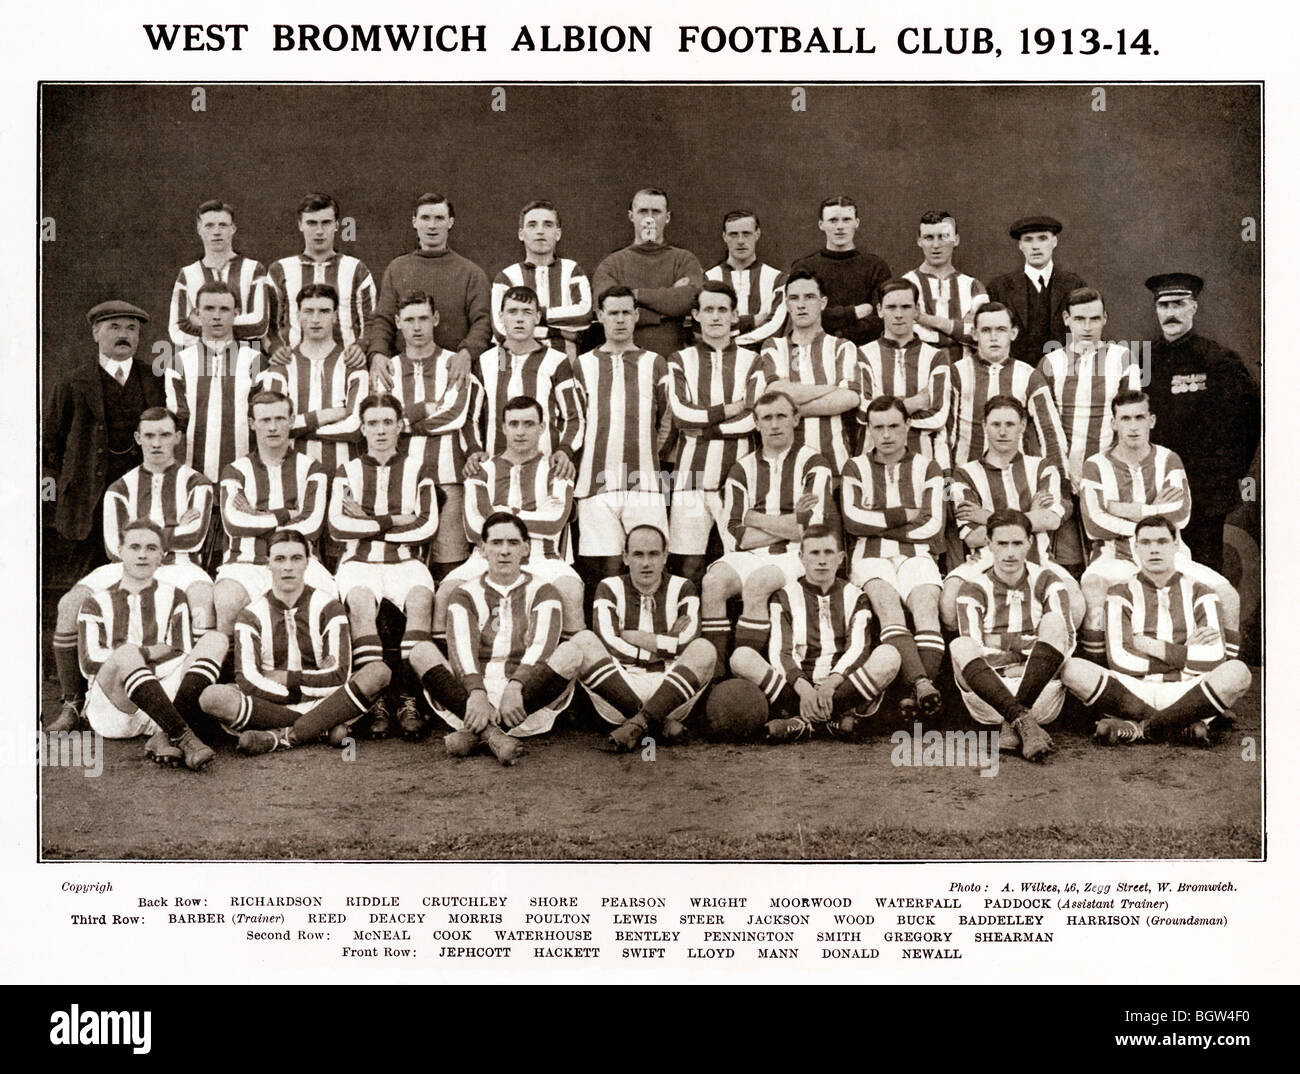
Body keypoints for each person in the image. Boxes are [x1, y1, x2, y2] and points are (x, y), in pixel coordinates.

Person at [49, 407, 217, 733]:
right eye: (150, 436)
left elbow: (194, 539)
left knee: (200, 602)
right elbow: (114, 546)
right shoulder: (119, 488)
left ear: (177, 438)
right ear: (138, 438)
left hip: (180, 564)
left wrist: (138, 537)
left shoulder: (197, 483)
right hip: (124, 565)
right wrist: (170, 526)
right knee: (68, 605)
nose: (157, 443)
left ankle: (189, 708)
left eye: (165, 435)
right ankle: (73, 702)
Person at [1076, 389, 1240, 663]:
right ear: (1114, 424)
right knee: (1094, 591)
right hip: (1115, 557)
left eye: (1139, 417)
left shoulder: (1168, 459)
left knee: (1228, 596)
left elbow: (1180, 515)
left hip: (1171, 557)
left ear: (1151, 421)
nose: (1133, 426)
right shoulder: (1095, 465)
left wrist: (1128, 510)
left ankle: (1223, 680)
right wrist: (1155, 513)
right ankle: (1101, 683)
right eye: (1125, 418)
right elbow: (1094, 525)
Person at [408, 513, 584, 766]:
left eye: (513, 543)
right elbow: (461, 650)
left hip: (525, 701)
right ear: (482, 549)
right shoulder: (465, 593)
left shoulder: (545, 591)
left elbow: (542, 648)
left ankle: (478, 735)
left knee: (572, 652)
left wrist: (516, 687)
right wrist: (477, 693)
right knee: (421, 651)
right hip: (469, 703)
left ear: (526, 549)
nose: (504, 551)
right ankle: (494, 737)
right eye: (496, 543)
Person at [1061, 516, 1252, 747]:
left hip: (1188, 688)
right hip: (1133, 688)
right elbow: (1121, 660)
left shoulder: (1202, 592)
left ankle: (1140, 729)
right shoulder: (1119, 593)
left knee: (1238, 672)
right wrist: (1184, 652)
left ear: (1175, 547)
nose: (1154, 550)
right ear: (1136, 548)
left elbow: (1214, 657)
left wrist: (1154, 647)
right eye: (1146, 543)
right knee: (1072, 669)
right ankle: (1180, 724)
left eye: (1162, 542)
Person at [200, 529, 391, 755]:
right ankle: (319, 727)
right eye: (280, 559)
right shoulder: (251, 614)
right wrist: (296, 693)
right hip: (274, 704)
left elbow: (339, 674)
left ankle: (284, 737)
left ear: (307, 563)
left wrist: (288, 678)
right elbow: (248, 680)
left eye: (296, 558)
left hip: (326, 698)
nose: (288, 567)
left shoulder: (329, 608)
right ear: (267, 564)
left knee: (378, 672)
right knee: (211, 697)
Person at [328, 393, 439, 740]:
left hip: (405, 561)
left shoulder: (418, 469)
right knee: (360, 602)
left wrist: (369, 520)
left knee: (421, 598)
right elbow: (337, 526)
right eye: (372, 423)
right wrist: (392, 520)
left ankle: (408, 698)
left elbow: (426, 525)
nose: (380, 430)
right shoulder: (348, 470)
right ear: (361, 428)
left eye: (387, 422)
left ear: (400, 426)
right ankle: (373, 701)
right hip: (358, 561)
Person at [700, 390, 833, 677]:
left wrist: (755, 517)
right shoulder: (741, 469)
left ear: (796, 419)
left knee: (759, 582)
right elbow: (738, 534)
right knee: (713, 582)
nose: (774, 424)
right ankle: (717, 674)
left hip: (797, 555)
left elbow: (809, 529)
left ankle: (747, 672)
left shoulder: (814, 463)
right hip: (748, 553)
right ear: (756, 423)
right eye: (767, 418)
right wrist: (791, 522)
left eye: (782, 416)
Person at [76, 518, 224, 771]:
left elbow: (182, 652)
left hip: (162, 701)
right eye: (134, 547)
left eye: (151, 548)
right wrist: (144, 654)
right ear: (120, 552)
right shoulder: (96, 601)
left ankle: (164, 736)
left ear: (162, 556)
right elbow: (89, 663)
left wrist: (144, 673)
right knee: (126, 653)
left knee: (216, 639)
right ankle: (183, 736)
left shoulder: (175, 596)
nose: (143, 555)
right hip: (116, 709)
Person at [731, 524, 901, 743]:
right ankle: (829, 720)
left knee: (889, 655)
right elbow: (781, 652)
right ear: (801, 558)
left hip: (840, 686)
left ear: (840, 558)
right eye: (814, 553)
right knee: (741, 657)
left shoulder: (856, 596)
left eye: (828, 553)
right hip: (797, 688)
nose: (822, 560)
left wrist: (830, 685)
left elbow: (858, 650)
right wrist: (806, 691)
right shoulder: (784, 596)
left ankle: (804, 723)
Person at [1141, 272, 1260, 574]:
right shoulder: (1144, 360)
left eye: (1179, 304)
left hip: (1205, 493)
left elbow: (1246, 426)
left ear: (1194, 307)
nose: (1171, 313)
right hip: (1154, 490)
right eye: (1164, 305)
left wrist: (1222, 480)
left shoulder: (1218, 360)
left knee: (1204, 573)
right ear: (1156, 310)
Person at [440, 395, 585, 636]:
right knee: (447, 591)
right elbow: (475, 529)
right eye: (514, 424)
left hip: (542, 557)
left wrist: (498, 513)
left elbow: (554, 524)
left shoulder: (557, 469)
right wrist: (526, 517)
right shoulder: (480, 470)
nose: (520, 431)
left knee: (570, 590)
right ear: (504, 427)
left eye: (528, 424)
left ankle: (567, 670)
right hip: (486, 556)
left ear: (542, 428)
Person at [44, 300, 165, 581]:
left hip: (142, 496)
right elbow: (50, 445)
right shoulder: (72, 383)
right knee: (88, 580)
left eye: (131, 329)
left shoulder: (155, 380)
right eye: (114, 327)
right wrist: (60, 492)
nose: (124, 334)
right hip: (88, 503)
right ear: (96, 333)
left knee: (144, 574)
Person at [840, 397, 945, 715]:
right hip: (870, 556)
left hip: (916, 554)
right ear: (869, 429)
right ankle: (921, 685)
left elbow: (933, 525)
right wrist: (905, 514)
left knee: (926, 607)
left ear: (908, 426)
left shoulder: (928, 466)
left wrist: (879, 522)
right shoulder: (854, 466)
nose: (886, 434)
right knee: (888, 608)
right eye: (878, 427)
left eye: (894, 426)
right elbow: (852, 521)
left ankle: (912, 699)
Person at [943, 395, 1078, 629]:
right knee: (948, 604)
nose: (1002, 432)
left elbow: (1051, 519)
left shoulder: (1042, 467)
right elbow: (974, 536)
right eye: (996, 424)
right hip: (984, 558)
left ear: (1023, 426)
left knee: (1075, 604)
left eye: (1010, 424)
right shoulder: (964, 474)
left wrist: (986, 516)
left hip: (1039, 556)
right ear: (984, 426)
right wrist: (1030, 517)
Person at [949, 509, 1074, 763]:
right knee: (960, 645)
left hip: (1041, 694)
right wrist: (1027, 654)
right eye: (1002, 543)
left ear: (1029, 542)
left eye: (1017, 543)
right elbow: (974, 651)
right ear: (988, 544)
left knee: (1053, 622)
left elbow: (1066, 643)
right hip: (990, 697)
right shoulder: (972, 588)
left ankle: (1016, 720)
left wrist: (998, 644)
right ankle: (1024, 721)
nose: (1010, 552)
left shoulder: (1049, 580)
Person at [1036, 287, 1141, 570]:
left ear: (1105, 319)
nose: (1087, 327)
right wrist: (1059, 474)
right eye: (1080, 319)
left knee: (1109, 558)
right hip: (1063, 476)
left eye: (1094, 319)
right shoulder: (1050, 362)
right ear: (1066, 319)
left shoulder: (1123, 358)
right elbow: (1042, 425)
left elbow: (1131, 421)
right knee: (1067, 561)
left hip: (1108, 476)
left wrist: (1111, 472)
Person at [665, 280, 763, 585]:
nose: (716, 316)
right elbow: (681, 415)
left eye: (723, 309)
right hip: (691, 475)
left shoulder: (753, 360)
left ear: (735, 315)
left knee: (740, 561)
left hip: (739, 474)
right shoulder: (679, 359)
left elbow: (752, 419)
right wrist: (727, 410)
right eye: (708, 309)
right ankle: (689, 628)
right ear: (696, 314)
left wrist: (704, 429)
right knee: (688, 564)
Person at [585, 524, 716, 752]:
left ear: (665, 556)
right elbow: (607, 640)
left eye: (654, 554)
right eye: (638, 554)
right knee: (582, 641)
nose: (646, 563)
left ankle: (638, 723)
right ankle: (655, 722)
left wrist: (635, 637)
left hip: (672, 686)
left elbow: (687, 641)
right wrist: (660, 647)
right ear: (625, 557)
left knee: (704, 649)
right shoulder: (609, 587)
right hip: (621, 686)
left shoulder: (683, 587)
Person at [571, 286, 672, 579]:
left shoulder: (655, 363)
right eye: (613, 313)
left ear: (637, 316)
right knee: (606, 569)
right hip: (595, 481)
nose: (620, 319)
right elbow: (575, 420)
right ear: (600, 316)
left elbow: (667, 420)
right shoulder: (583, 365)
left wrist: (652, 456)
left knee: (648, 565)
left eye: (626, 312)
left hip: (645, 483)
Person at [212, 390, 332, 634]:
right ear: (252, 424)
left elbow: (311, 525)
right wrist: (286, 514)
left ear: (291, 420)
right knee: (227, 600)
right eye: (265, 420)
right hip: (245, 563)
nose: (273, 427)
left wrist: (256, 516)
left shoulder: (312, 468)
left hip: (301, 562)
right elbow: (234, 524)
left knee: (326, 602)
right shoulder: (235, 470)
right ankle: (233, 671)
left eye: (279, 419)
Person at [383, 292, 485, 579]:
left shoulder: (456, 363)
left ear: (436, 319)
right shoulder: (388, 368)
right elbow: (378, 420)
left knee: (450, 561)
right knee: (401, 561)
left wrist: (401, 423)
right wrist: (425, 407)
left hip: (449, 476)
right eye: (410, 320)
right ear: (398, 322)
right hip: (400, 480)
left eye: (424, 319)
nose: (417, 327)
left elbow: (454, 415)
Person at [164, 281, 286, 485]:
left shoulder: (255, 360)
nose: (217, 316)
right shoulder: (179, 363)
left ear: (236, 313)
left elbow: (263, 421)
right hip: (193, 476)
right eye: (209, 308)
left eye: (224, 309)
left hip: (247, 477)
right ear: (197, 314)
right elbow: (176, 424)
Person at [367, 192, 491, 392]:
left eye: (439, 218)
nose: (432, 225)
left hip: (454, 373)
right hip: (405, 374)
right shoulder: (397, 268)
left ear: (450, 222)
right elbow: (384, 319)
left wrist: (466, 354)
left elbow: (483, 322)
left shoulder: (471, 273)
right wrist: (378, 354)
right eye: (425, 218)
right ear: (414, 222)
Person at [464, 285, 584, 479]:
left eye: (527, 312)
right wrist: (473, 450)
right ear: (501, 316)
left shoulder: (557, 360)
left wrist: (564, 450)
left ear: (537, 318)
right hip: (496, 471)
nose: (519, 319)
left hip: (545, 470)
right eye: (512, 312)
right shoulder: (487, 361)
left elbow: (575, 417)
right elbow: (469, 417)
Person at [755, 269, 861, 474]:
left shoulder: (842, 346)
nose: (801, 304)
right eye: (794, 298)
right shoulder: (774, 346)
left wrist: (789, 411)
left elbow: (849, 398)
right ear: (787, 305)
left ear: (823, 303)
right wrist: (830, 388)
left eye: (809, 297)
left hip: (834, 464)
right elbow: (776, 393)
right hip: (784, 467)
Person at [947, 303, 1069, 476]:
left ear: (1013, 333)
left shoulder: (1029, 376)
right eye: (986, 330)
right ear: (974, 334)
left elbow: (1051, 434)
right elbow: (945, 433)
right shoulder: (956, 373)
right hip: (967, 477)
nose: (994, 337)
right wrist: (948, 480)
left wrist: (1059, 485)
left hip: (1017, 480)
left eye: (1001, 329)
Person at [270, 283, 368, 482]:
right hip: (293, 476)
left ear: (335, 316)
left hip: (346, 476)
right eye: (308, 311)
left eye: (324, 311)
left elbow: (356, 426)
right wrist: (326, 415)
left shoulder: (353, 363)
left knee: (347, 511)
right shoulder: (282, 364)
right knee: (299, 512)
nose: (315, 319)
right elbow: (273, 424)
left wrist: (298, 427)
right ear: (298, 316)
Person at [591, 187, 705, 357]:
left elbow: (692, 300)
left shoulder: (684, 260)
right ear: (631, 216)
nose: (649, 218)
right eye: (643, 211)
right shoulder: (611, 264)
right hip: (623, 361)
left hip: (672, 360)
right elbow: (608, 311)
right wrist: (669, 311)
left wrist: (634, 295)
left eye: (656, 212)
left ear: (667, 217)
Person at [266, 193, 376, 366]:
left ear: (337, 225)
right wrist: (276, 348)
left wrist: (361, 347)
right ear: (300, 225)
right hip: (293, 365)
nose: (319, 231)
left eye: (326, 223)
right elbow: (268, 324)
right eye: (311, 223)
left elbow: (372, 321)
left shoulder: (356, 269)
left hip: (346, 364)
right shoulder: (280, 269)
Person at [856, 278, 951, 465]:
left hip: (926, 458)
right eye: (891, 307)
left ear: (916, 310)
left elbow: (938, 416)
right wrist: (915, 402)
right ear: (880, 310)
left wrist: (884, 409)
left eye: (905, 307)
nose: (898, 314)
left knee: (942, 493)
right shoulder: (863, 354)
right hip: (874, 460)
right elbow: (863, 412)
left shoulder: (936, 357)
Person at [490, 200, 592, 357]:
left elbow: (584, 315)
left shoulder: (572, 270)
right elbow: (500, 330)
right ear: (521, 234)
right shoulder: (506, 277)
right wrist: (558, 332)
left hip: (566, 363)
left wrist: (538, 316)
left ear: (558, 234)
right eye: (532, 225)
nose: (540, 231)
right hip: (513, 363)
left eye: (548, 224)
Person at [789, 194, 890, 347]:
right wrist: (853, 313)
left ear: (857, 223)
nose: (840, 226)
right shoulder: (804, 267)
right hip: (816, 350)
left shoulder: (876, 266)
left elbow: (883, 317)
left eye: (846, 220)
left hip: (865, 351)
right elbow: (802, 313)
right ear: (821, 224)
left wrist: (840, 336)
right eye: (833, 220)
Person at [984, 216, 1086, 366]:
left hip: (1064, 374)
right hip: (1015, 377)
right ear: (1020, 245)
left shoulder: (1074, 285)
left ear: (1054, 242)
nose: (1035, 246)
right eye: (1028, 239)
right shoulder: (999, 288)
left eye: (1042, 238)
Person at [168, 199, 270, 349]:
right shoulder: (188, 274)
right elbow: (177, 330)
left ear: (233, 228)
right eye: (209, 226)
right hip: (201, 361)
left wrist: (201, 322)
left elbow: (259, 324)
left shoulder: (253, 269)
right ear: (199, 229)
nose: (216, 232)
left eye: (222, 225)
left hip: (246, 359)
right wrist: (222, 333)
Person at [902, 211, 987, 351]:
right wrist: (958, 329)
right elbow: (905, 335)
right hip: (920, 370)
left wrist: (922, 318)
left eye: (943, 237)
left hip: (965, 370)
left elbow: (980, 334)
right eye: (929, 238)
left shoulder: (973, 286)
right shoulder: (905, 285)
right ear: (919, 241)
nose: (936, 245)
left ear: (956, 240)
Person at [703, 209, 787, 348]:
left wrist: (732, 342)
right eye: (733, 234)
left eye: (746, 234)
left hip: (762, 358)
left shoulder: (778, 279)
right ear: (724, 237)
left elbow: (776, 326)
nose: (740, 241)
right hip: (719, 357)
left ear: (757, 234)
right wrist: (752, 321)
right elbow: (705, 325)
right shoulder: (709, 278)